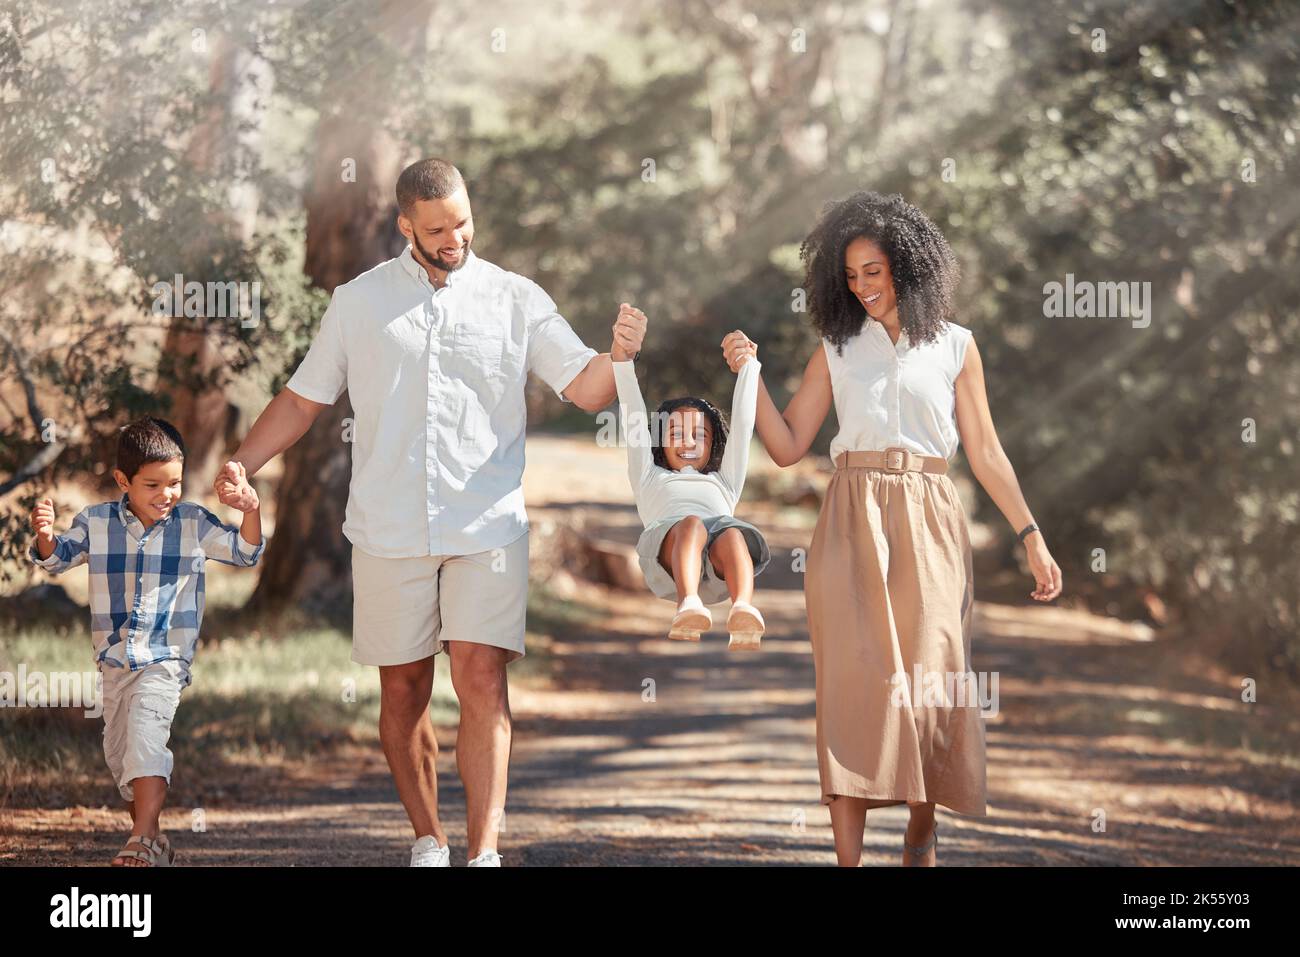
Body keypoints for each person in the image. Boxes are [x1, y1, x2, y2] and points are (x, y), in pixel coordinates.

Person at [214, 157, 646, 867]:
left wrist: (620, 355)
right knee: (405, 690)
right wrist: (244, 461)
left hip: (487, 527)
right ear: (405, 224)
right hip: (389, 527)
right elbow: (302, 399)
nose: (456, 237)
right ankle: (429, 838)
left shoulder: (516, 297)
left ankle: (483, 852)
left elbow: (587, 386)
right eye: (439, 227)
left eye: (464, 221)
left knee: (480, 675)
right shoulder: (359, 301)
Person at [721, 190, 1063, 867]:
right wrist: (749, 375)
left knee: (932, 683)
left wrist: (1031, 535)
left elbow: (987, 451)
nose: (862, 287)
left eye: (873, 271)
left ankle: (919, 830)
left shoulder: (958, 347)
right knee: (852, 687)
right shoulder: (838, 347)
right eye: (850, 275)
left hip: (933, 514)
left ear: (907, 266)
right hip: (851, 516)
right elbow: (789, 443)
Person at [28, 416, 263, 866]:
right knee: (120, 758)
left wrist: (249, 509)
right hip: (114, 663)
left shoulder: (192, 523)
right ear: (123, 480)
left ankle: (137, 842)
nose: (167, 494)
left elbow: (245, 552)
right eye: (152, 485)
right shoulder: (97, 523)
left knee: (145, 740)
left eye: (174, 482)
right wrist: (44, 537)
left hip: (165, 660)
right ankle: (154, 839)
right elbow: (56, 560)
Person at [612, 346, 771, 647]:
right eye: (675, 433)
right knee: (692, 524)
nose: (688, 442)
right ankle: (687, 604)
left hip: (715, 561)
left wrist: (750, 367)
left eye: (699, 435)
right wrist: (622, 361)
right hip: (669, 554)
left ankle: (743, 608)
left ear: (714, 445)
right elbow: (632, 413)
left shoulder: (725, 481)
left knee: (733, 534)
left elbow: (743, 427)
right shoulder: (649, 476)